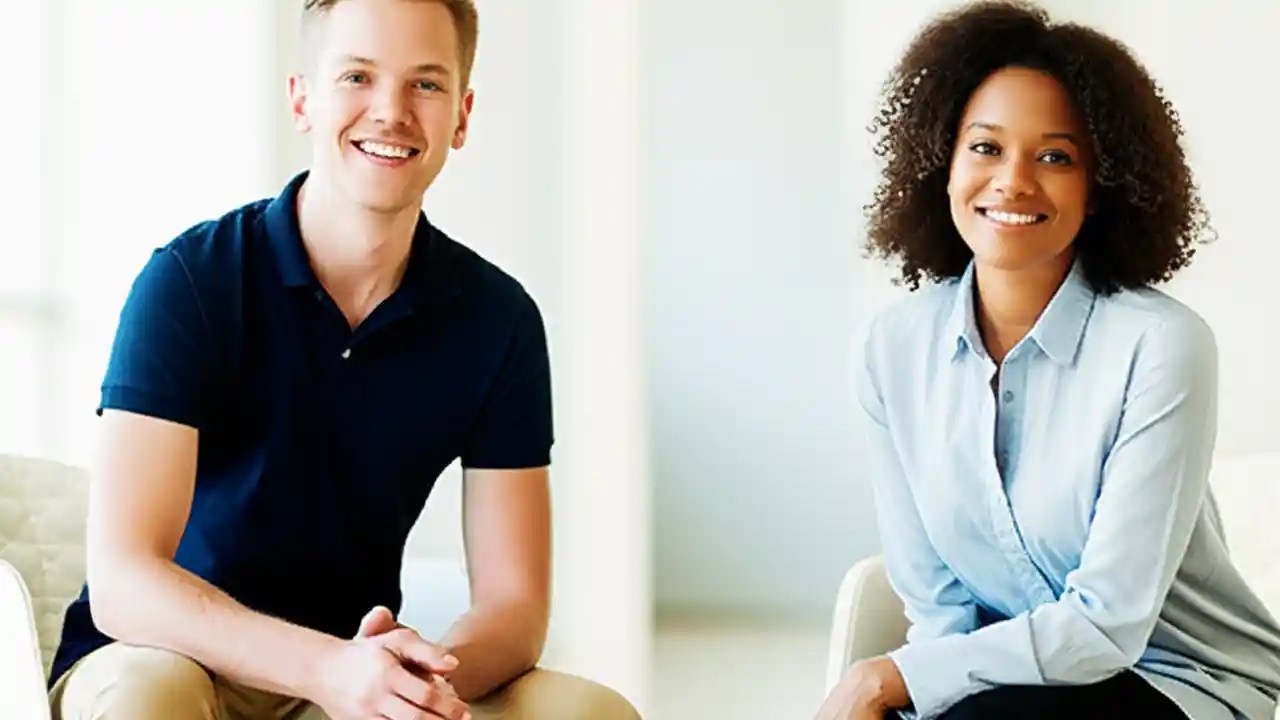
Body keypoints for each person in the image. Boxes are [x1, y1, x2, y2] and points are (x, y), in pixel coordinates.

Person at [47, 1, 640, 719]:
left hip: (350, 675)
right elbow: (125, 581)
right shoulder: (192, 280)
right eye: (358, 76)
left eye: (426, 84)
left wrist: (415, 680)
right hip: (168, 657)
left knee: (588, 711)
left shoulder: (499, 320)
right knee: (150, 697)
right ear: (303, 98)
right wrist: (328, 669)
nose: (391, 112)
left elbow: (514, 604)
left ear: (462, 115)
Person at [817, 2, 1280, 719]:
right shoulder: (892, 349)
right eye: (986, 147)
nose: (1013, 181)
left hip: (1176, 678)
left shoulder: (1161, 347)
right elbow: (938, 608)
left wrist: (886, 679)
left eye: (1056, 157)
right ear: (943, 163)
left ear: (1099, 189)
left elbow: (1107, 626)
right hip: (998, 684)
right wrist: (915, 693)